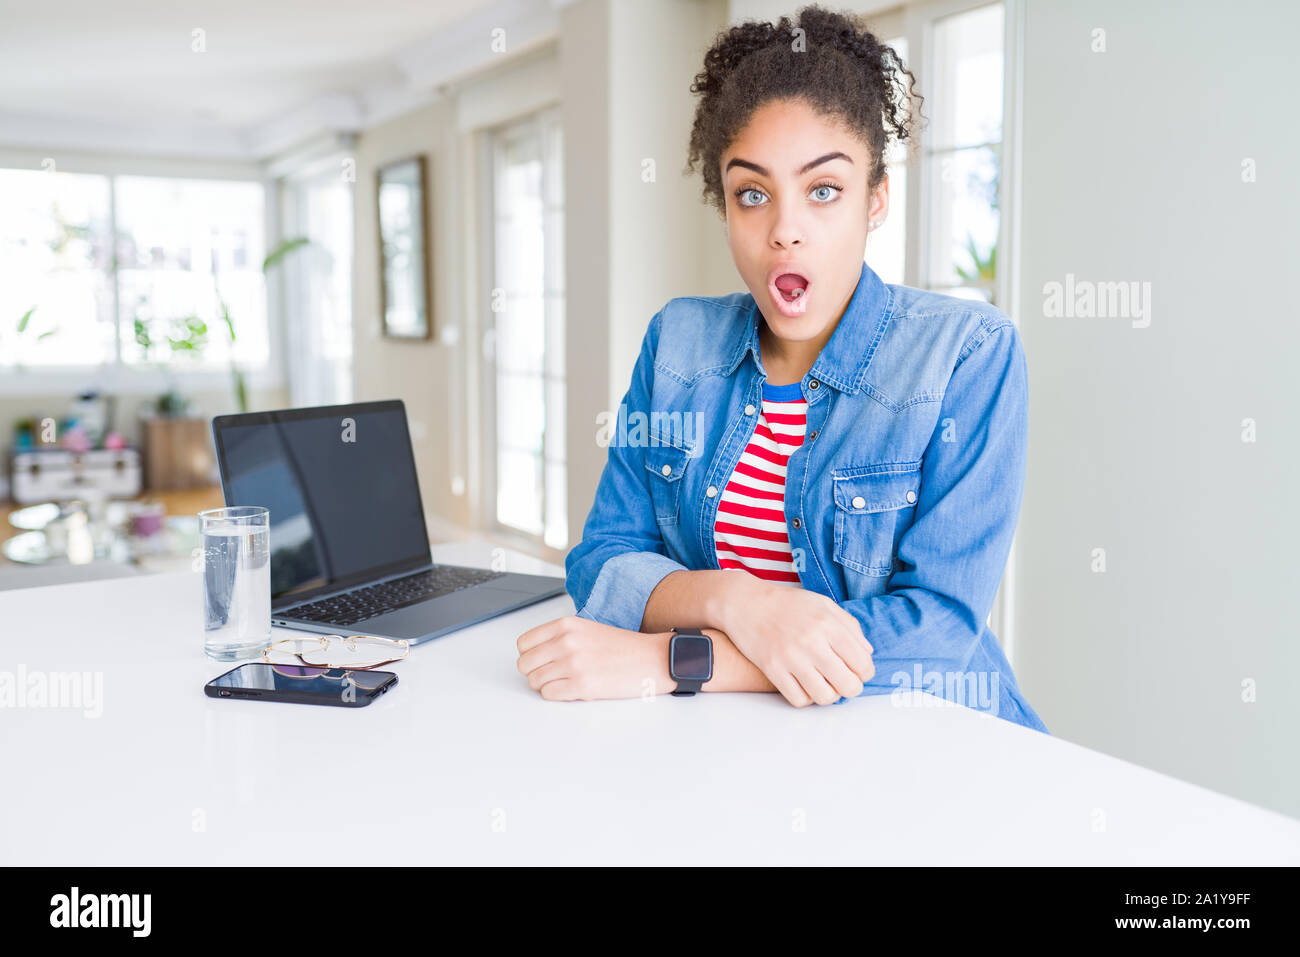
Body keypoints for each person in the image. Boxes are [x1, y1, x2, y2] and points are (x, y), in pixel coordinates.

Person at [516, 5, 1048, 733]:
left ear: (876, 200)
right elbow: (602, 559)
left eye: (823, 190)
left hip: (928, 739)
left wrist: (676, 662)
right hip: (739, 748)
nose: (784, 230)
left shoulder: (968, 354)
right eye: (753, 193)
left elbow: (937, 628)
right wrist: (742, 601)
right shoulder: (677, 344)